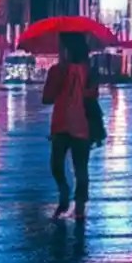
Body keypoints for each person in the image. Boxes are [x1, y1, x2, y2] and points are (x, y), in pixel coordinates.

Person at [42, 33, 97, 220]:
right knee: (81, 167)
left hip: (62, 125)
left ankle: (65, 194)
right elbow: (92, 96)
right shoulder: (88, 71)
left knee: (57, 165)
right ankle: (79, 206)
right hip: (82, 126)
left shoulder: (58, 71)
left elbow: (47, 98)